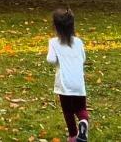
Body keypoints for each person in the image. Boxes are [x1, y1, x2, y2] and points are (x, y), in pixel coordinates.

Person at [46, 7, 89, 142]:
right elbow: (83, 58)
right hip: (78, 83)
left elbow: (51, 59)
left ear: (55, 26)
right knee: (80, 107)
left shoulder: (53, 42)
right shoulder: (78, 42)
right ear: (72, 25)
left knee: (68, 110)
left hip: (64, 83)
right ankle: (83, 121)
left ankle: (72, 136)